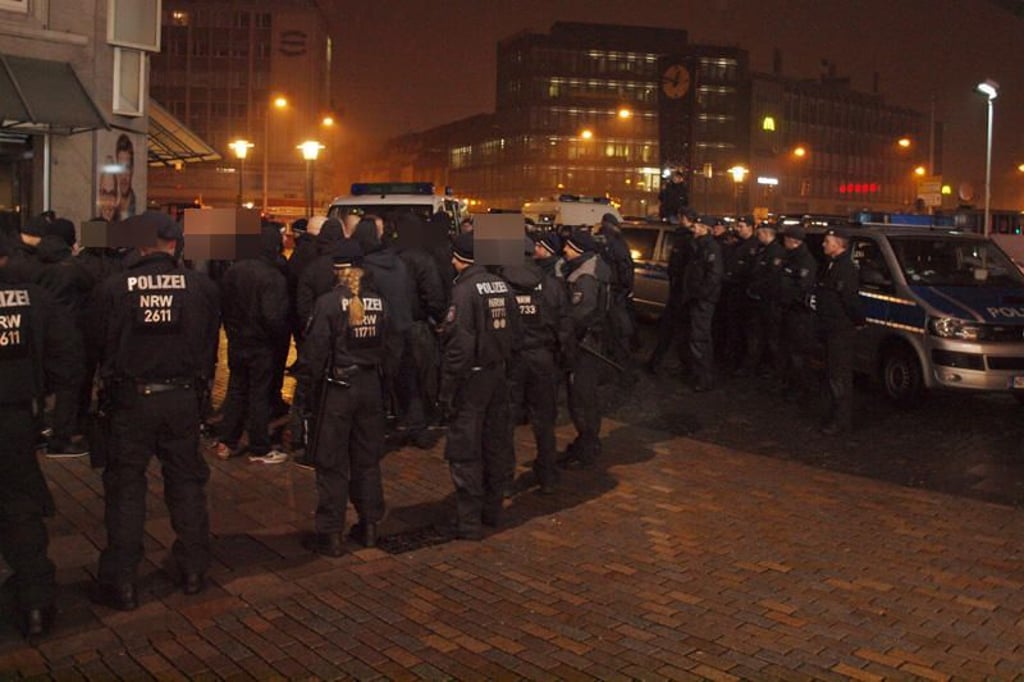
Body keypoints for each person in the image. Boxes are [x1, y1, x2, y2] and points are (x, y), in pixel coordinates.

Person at [87, 211, 220, 610]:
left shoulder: (113, 288)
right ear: (174, 244)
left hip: (131, 399)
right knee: (187, 483)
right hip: (181, 398)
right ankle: (194, 567)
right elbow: (209, 345)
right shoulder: (201, 287)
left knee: (126, 487)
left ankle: (122, 580)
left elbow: (95, 344)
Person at [0, 239, 82, 637]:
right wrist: (39, 391)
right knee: (21, 506)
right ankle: (35, 602)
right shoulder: (33, 299)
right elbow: (68, 356)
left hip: (16, 412)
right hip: (14, 415)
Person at [301, 241, 388, 555]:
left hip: (337, 389)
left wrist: (306, 393)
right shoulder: (379, 302)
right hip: (370, 388)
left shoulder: (327, 304)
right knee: (366, 460)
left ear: (337, 270)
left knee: (332, 461)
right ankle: (370, 526)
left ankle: (331, 533)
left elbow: (314, 354)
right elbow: (388, 348)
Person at [438, 232, 517, 539]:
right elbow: (516, 332)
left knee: (465, 449)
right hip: (497, 373)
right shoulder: (502, 285)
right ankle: (492, 511)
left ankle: (468, 521)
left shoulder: (464, 290)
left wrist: (448, 385)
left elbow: (460, 343)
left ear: (457, 257)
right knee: (495, 444)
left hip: (471, 378)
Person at [214, 222, 290, 464]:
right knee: (259, 394)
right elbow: (273, 316)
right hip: (261, 344)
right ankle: (259, 446)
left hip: (238, 341)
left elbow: (223, 306)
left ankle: (227, 440)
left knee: (236, 390)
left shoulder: (233, 271)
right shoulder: (271, 276)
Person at [501, 235, 572, 494]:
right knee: (544, 421)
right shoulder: (552, 285)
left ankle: (505, 480)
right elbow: (564, 327)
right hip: (543, 358)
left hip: (512, 360)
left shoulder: (502, 285)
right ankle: (548, 474)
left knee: (505, 422)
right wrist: (565, 361)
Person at [559, 228, 612, 469]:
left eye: (568, 247)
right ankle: (586, 441)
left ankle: (588, 445)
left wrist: (563, 333)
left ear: (578, 250)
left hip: (585, 345)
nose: (564, 250)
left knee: (582, 396)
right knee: (583, 396)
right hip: (590, 342)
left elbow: (581, 313)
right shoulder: (591, 268)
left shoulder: (585, 276)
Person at [814, 228, 865, 435]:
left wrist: (858, 321)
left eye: (827, 241)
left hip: (840, 330)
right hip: (830, 327)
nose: (823, 244)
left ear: (838, 244)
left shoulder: (846, 268)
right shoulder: (832, 265)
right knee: (832, 375)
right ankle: (833, 415)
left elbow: (850, 300)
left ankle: (841, 420)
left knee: (839, 377)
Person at [646, 207, 696, 373]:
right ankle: (659, 362)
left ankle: (684, 366)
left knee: (677, 331)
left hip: (681, 291)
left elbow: (686, 268)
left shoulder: (688, 240)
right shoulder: (683, 237)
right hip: (679, 290)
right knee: (673, 330)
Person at [682, 214, 723, 392]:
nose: (695, 229)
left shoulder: (710, 248)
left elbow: (713, 275)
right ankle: (696, 373)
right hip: (696, 297)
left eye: (698, 226)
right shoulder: (698, 245)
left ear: (706, 229)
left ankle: (704, 377)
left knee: (700, 338)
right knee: (694, 336)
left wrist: (701, 294)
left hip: (703, 300)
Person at [778, 224, 818, 402]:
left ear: (792, 241)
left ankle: (802, 389)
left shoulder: (804, 261)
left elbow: (801, 289)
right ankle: (791, 384)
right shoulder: (790, 257)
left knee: (799, 353)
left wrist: (786, 298)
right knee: (789, 351)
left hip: (799, 314)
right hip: (788, 311)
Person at [741, 221, 785, 378]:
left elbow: (771, 278)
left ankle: (774, 370)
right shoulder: (763, 250)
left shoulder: (776, 252)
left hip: (769, 302)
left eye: (759, 234)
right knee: (755, 335)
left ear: (767, 234)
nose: (757, 236)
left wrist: (755, 287)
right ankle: (753, 366)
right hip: (757, 300)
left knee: (771, 339)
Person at [114, 134, 137, 219]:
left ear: (132, 170)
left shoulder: (138, 207)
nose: (123, 176)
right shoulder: (111, 208)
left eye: (127, 168)